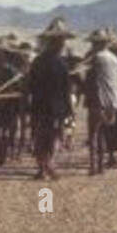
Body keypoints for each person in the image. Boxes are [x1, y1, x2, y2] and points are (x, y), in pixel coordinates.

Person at [28, 18, 75, 180]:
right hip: (56, 108)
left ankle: (42, 168)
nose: (63, 44)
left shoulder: (37, 61)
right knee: (53, 137)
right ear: (58, 43)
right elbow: (66, 89)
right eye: (61, 41)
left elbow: (30, 86)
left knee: (41, 137)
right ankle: (49, 166)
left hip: (39, 106)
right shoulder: (61, 64)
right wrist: (70, 110)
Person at [83, 29, 117, 174]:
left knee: (93, 134)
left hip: (97, 100)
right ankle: (100, 165)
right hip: (113, 101)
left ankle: (93, 166)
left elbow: (90, 79)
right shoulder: (114, 58)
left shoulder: (94, 58)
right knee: (104, 133)